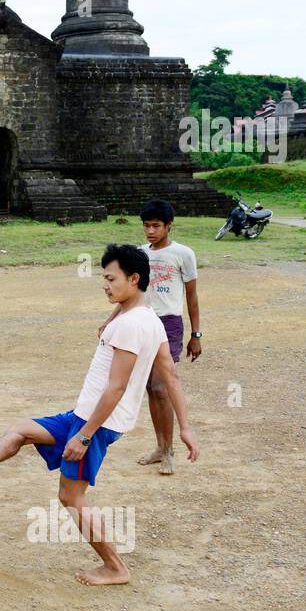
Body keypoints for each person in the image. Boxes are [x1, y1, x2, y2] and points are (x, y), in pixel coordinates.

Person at [0, 244, 199, 586]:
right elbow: (170, 376)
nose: (104, 285)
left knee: (70, 496)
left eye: (110, 278)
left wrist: (84, 435)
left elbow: (116, 388)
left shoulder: (130, 326)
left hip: (97, 423)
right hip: (83, 414)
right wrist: (186, 429)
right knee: (22, 430)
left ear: (134, 279)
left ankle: (115, 567)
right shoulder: (147, 318)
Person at [126, 199, 201, 476]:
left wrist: (196, 334)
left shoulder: (183, 254)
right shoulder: (139, 254)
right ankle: (160, 447)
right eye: (146, 226)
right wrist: (111, 321)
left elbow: (192, 297)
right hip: (141, 322)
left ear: (169, 226)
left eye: (156, 226)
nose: (150, 231)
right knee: (150, 389)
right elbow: (130, 294)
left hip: (168, 324)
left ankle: (169, 451)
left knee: (160, 387)